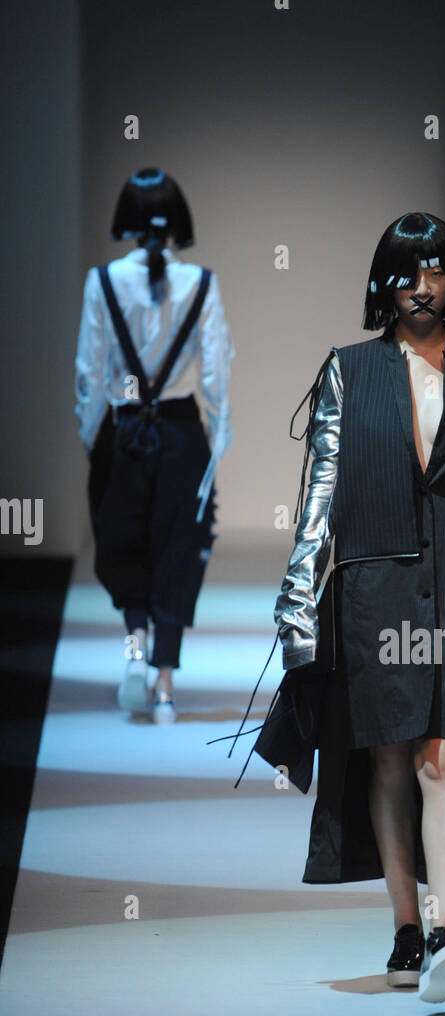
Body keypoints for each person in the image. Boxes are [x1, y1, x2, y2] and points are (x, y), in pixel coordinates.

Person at [267, 212, 445, 1004]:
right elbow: (319, 495)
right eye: (409, 271)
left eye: (438, 270)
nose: (423, 285)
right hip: (376, 588)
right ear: (384, 281)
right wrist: (298, 604)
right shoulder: (347, 370)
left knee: (444, 758)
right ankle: (405, 925)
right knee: (387, 759)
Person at [74, 166, 234, 722]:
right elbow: (215, 375)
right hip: (182, 431)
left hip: (123, 432)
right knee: (178, 551)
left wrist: (93, 435)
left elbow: (91, 375)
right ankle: (165, 685)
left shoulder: (103, 281)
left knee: (124, 546)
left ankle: (136, 649)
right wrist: (216, 436)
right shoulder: (202, 284)